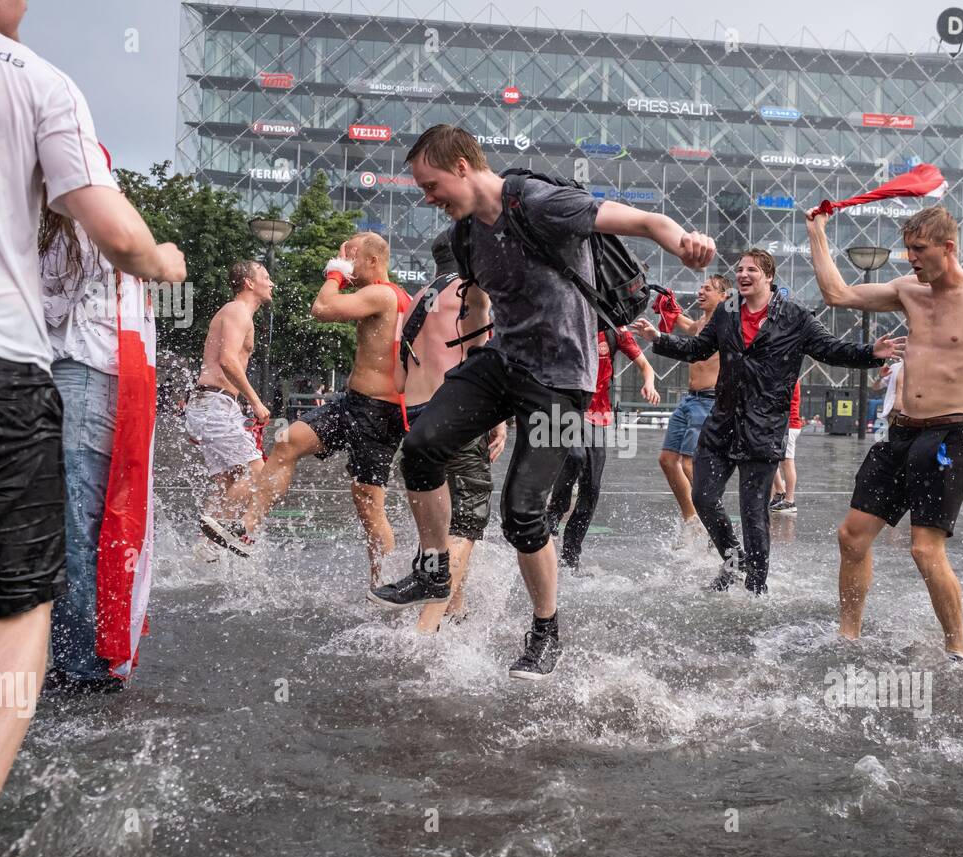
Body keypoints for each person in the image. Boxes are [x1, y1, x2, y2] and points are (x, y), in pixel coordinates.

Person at [0, 0, 185, 857]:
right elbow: (119, 238)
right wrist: (164, 260)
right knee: (21, 595)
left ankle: (83, 651)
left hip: (26, 362)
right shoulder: (36, 82)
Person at [367, 124, 715, 681]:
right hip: (503, 363)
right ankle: (434, 569)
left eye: (431, 185)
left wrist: (684, 242)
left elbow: (644, 222)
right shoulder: (465, 236)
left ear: (461, 166)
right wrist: (473, 384)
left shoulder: (538, 202)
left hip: (561, 379)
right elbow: (478, 303)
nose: (427, 198)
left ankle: (546, 630)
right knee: (421, 447)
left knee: (523, 512)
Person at [807, 205, 963, 660]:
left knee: (923, 549)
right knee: (852, 535)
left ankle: (958, 649)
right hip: (902, 433)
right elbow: (836, 293)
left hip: (954, 433)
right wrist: (817, 233)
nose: (910, 258)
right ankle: (847, 635)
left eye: (919, 249)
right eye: (907, 248)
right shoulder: (908, 291)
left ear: (948, 248)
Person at [633, 248, 902, 594]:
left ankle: (756, 588)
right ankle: (735, 561)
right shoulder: (727, 311)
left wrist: (870, 353)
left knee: (753, 512)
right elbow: (698, 348)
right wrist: (658, 339)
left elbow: (829, 348)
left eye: (751, 271)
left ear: (769, 276)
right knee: (703, 496)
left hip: (764, 427)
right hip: (722, 421)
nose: (743, 275)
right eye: (740, 269)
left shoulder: (794, 315)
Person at [204, 234, 411, 586]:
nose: (346, 263)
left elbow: (322, 309)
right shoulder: (378, 295)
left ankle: (384, 582)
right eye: (343, 258)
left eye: (352, 257)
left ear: (374, 262)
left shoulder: (384, 293)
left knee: (368, 503)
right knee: (287, 441)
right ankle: (247, 530)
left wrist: (335, 273)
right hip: (352, 403)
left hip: (379, 412)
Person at [39, 151, 159, 693]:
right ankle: (96, 650)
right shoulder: (118, 223)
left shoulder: (73, 225)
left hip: (80, 378)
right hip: (113, 382)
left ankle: (79, 663)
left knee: (74, 527)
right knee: (99, 519)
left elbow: (44, 307)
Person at [398, 231, 508, 631]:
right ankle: (425, 631)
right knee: (465, 523)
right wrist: (499, 419)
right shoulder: (468, 293)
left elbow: (398, 375)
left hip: (413, 422)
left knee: (436, 530)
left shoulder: (414, 301)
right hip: (455, 417)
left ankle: (455, 613)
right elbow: (483, 361)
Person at [546, 323, 659, 570]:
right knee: (574, 457)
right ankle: (554, 515)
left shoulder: (614, 330)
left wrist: (649, 383)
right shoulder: (565, 320)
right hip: (565, 408)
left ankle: (571, 556)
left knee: (591, 489)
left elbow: (645, 366)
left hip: (598, 415)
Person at [187, 261, 272, 549]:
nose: (271, 283)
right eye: (266, 277)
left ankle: (204, 548)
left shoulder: (237, 313)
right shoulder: (237, 310)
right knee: (258, 472)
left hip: (213, 403)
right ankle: (215, 532)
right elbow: (227, 360)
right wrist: (257, 403)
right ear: (249, 283)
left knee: (229, 479)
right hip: (214, 404)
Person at [654, 276, 728, 547]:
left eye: (708, 288)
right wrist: (670, 310)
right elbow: (683, 323)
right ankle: (692, 521)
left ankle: (713, 523)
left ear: (723, 296)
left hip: (708, 401)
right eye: (700, 287)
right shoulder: (701, 325)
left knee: (689, 463)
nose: (700, 291)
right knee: (666, 460)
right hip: (689, 401)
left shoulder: (726, 325)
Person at [769, 381, 802, 515]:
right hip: (783, 424)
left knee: (787, 462)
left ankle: (789, 500)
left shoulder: (790, 378)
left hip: (789, 424)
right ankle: (780, 492)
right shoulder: (788, 376)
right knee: (771, 458)